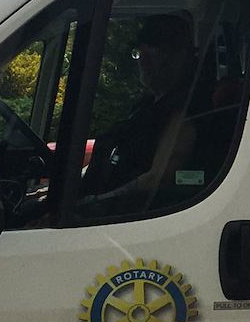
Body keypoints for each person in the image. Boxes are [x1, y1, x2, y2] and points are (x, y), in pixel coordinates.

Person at [80, 12, 201, 212]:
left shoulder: (186, 112)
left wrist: (93, 203)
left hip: (124, 218)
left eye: (154, 52)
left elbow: (159, 179)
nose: (143, 61)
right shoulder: (146, 105)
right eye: (139, 53)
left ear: (180, 55)